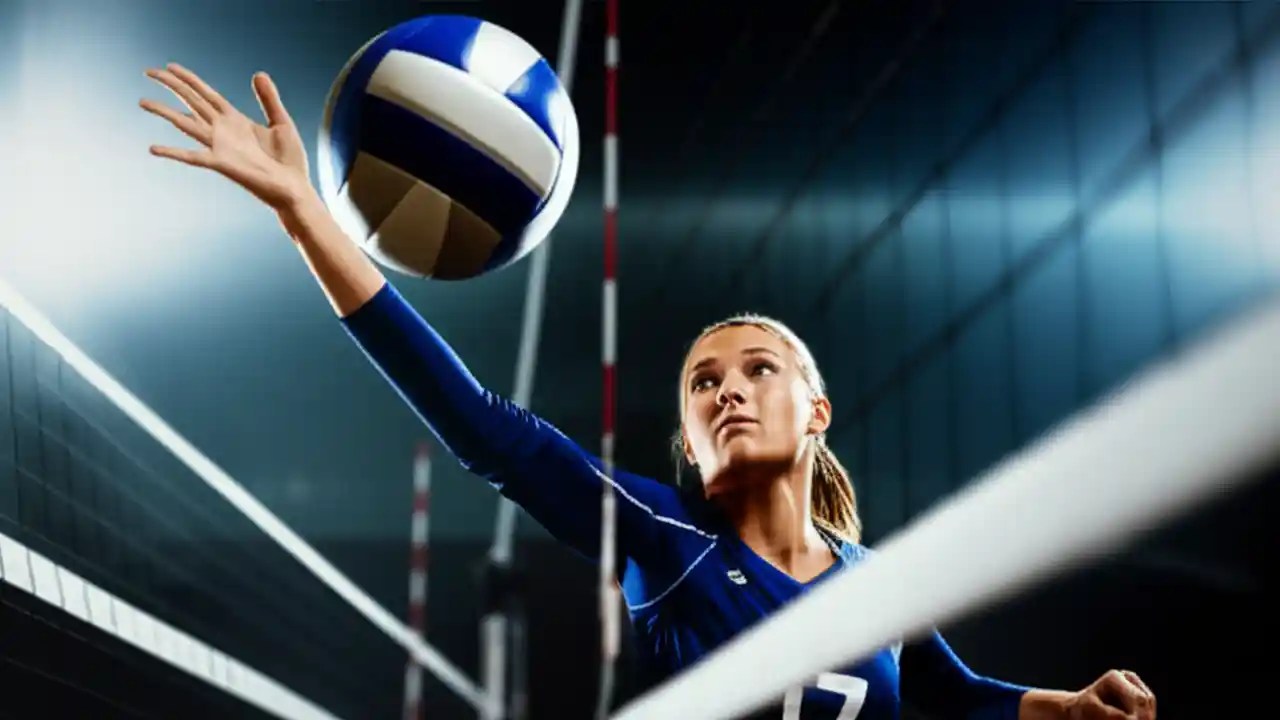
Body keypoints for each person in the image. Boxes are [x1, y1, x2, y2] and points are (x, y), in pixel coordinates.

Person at [139, 63, 1158, 720]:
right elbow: (483, 429)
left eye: (758, 369)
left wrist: (1065, 708)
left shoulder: (878, 583)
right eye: (701, 384)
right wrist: (304, 213)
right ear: (688, 440)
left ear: (817, 410)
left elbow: (954, 697)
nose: (726, 392)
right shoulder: (665, 541)